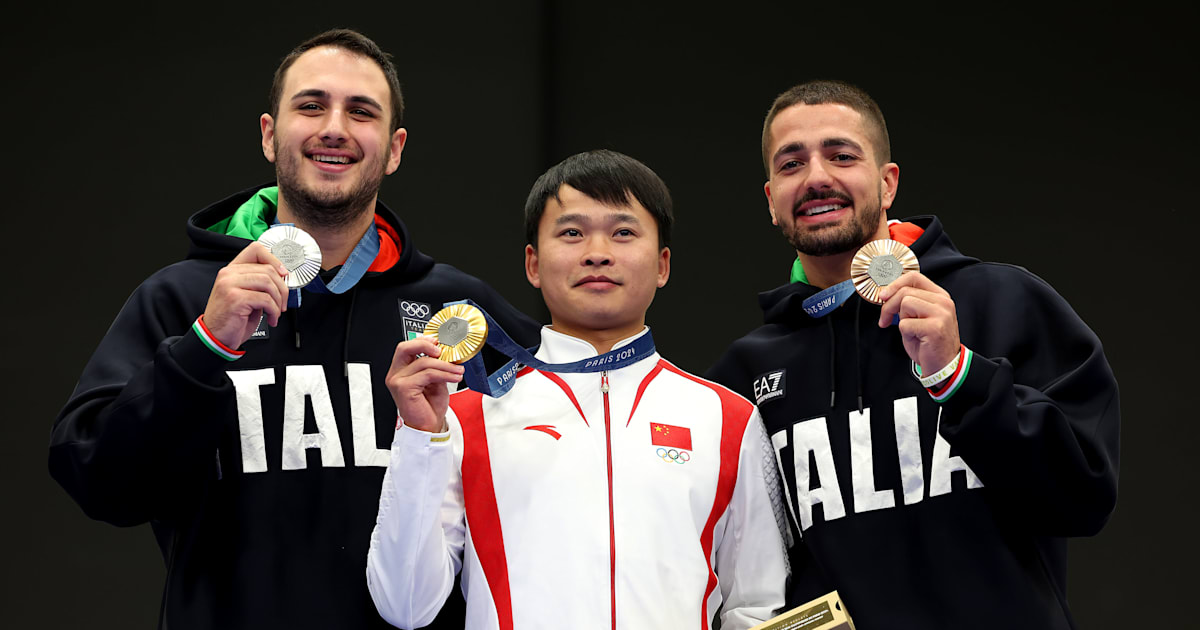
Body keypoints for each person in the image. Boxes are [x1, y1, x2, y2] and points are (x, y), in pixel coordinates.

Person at [48, 29, 538, 630]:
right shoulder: (183, 298)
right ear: (269, 134)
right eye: (311, 106)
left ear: (394, 149)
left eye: (361, 112)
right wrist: (205, 347)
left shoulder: (457, 312)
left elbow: (566, 478)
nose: (334, 127)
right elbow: (101, 485)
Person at [706, 80, 1120, 629]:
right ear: (771, 201)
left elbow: (1083, 496)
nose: (817, 178)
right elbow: (737, 577)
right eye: (791, 164)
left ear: (887, 181)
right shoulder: (742, 375)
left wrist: (960, 375)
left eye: (841, 155)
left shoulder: (1004, 302)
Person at [366, 150, 788, 630]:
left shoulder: (727, 419)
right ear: (533, 263)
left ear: (663, 264)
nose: (597, 252)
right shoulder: (465, 417)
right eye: (571, 232)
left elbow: (757, 606)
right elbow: (405, 606)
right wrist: (421, 438)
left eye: (623, 232)